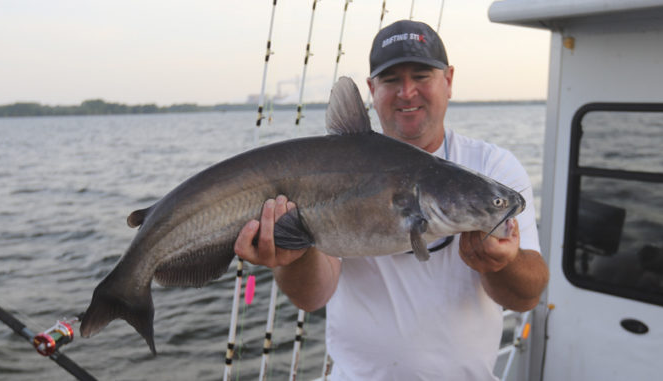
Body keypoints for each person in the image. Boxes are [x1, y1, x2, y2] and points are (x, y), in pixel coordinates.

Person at [234, 20, 549, 380]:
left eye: (421, 76)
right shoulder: (326, 172)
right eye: (390, 80)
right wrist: (290, 257)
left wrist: (501, 263)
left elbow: (526, 297)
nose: (407, 92)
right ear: (371, 89)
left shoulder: (493, 167)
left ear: (448, 80)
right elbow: (313, 296)